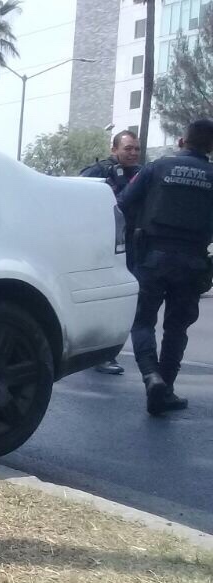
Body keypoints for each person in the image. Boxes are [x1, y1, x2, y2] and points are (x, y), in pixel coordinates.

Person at [117, 119, 213, 416]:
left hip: (152, 257)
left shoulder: (157, 168)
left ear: (182, 141)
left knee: (142, 321)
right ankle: (165, 389)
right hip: (194, 261)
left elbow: (123, 203)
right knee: (177, 328)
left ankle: (151, 376)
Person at [81, 129, 143, 375]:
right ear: (114, 149)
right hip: (101, 245)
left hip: (131, 246)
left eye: (136, 149)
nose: (133, 153)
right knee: (103, 300)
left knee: (123, 301)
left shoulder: (141, 174)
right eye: (128, 148)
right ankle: (96, 353)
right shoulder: (97, 172)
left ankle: (104, 352)